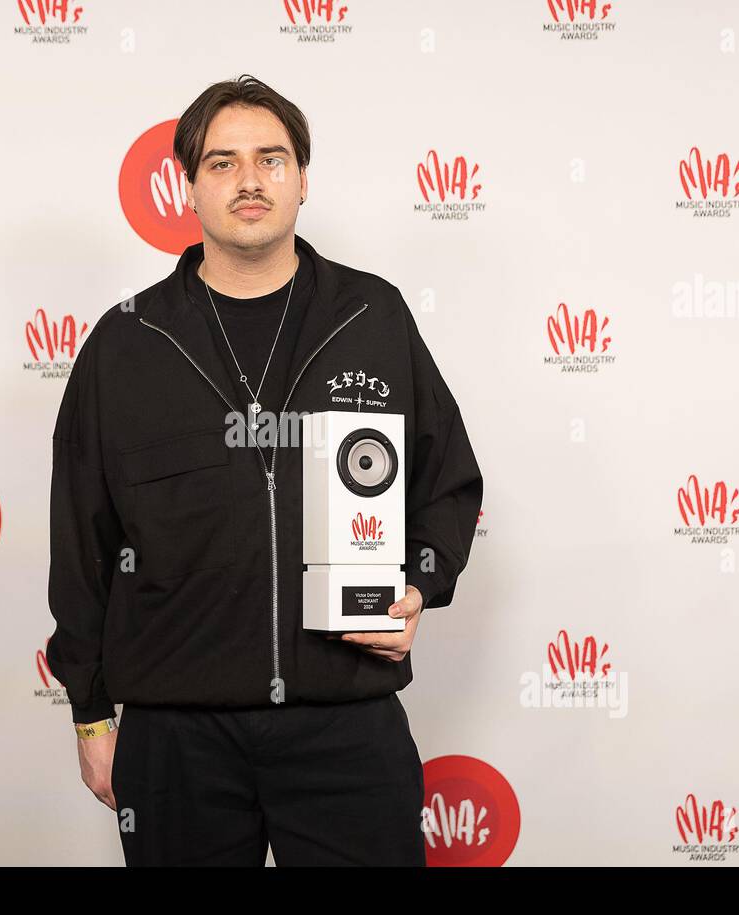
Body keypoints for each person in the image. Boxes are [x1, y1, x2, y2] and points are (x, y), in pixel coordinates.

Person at [46, 74, 483, 866]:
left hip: (346, 723)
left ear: (302, 180)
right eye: (221, 163)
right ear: (188, 187)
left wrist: (417, 587)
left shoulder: (371, 317)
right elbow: (81, 540)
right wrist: (90, 715)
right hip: (177, 739)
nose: (249, 179)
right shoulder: (126, 343)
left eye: (271, 158)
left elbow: (447, 483)